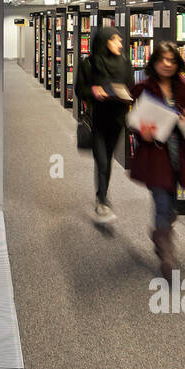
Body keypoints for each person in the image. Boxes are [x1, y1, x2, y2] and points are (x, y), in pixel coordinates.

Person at [127, 41, 185, 271]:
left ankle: (160, 233)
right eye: (162, 59)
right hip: (155, 155)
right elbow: (133, 122)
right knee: (161, 201)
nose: (167, 64)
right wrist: (141, 132)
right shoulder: (143, 88)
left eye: (172, 60)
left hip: (179, 154)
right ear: (154, 62)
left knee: (171, 205)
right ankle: (168, 256)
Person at [74, 25, 132, 222]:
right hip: (98, 118)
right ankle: (102, 199)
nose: (119, 43)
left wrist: (125, 95)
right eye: (114, 39)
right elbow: (80, 89)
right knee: (102, 160)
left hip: (118, 119)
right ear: (104, 43)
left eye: (119, 39)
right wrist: (96, 92)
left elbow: (131, 86)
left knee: (107, 157)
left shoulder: (125, 62)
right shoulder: (89, 64)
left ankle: (103, 196)